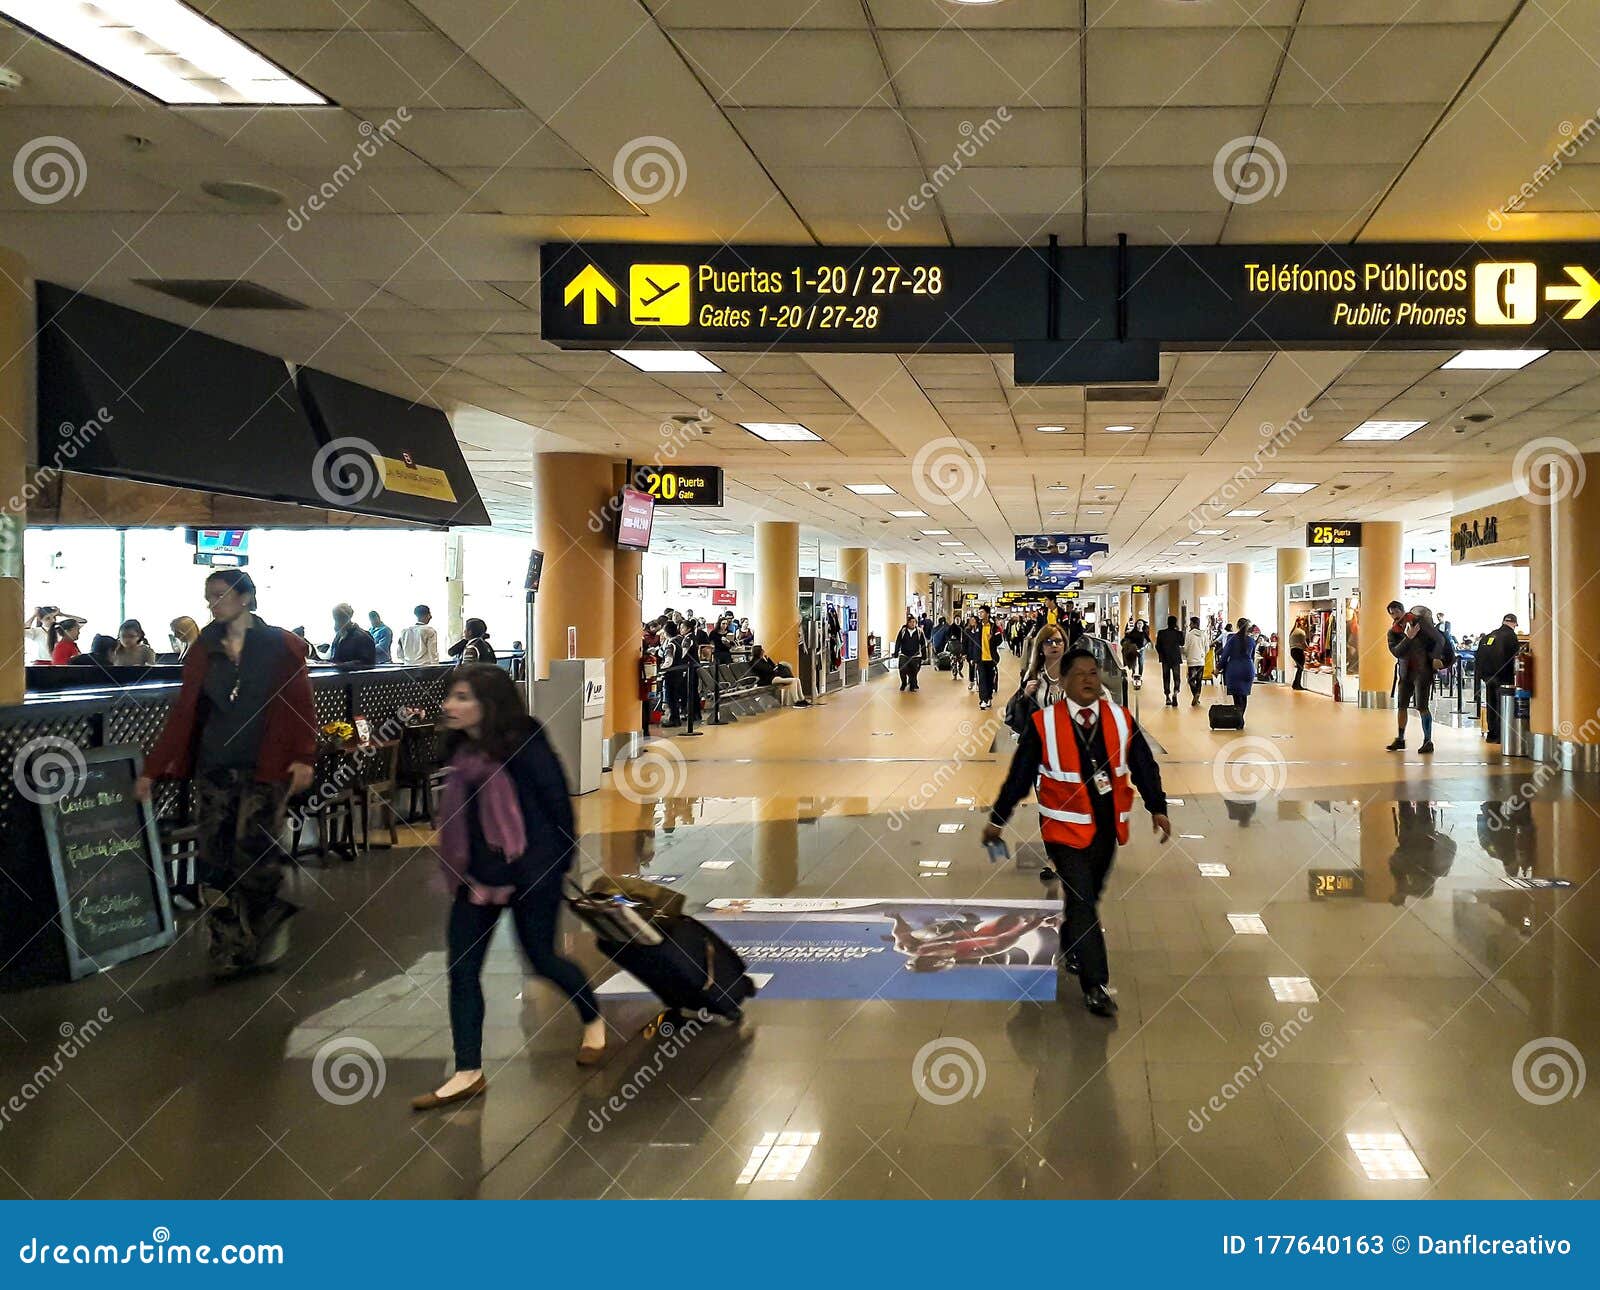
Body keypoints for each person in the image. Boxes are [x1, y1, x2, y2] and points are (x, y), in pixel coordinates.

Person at [412, 665, 605, 1111]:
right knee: (462, 969)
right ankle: (468, 1071)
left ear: (488, 703)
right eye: (450, 697)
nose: (449, 706)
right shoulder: (461, 750)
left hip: (530, 874)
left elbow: (558, 802)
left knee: (542, 959)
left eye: (461, 697)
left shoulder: (524, 744)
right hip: (474, 878)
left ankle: (592, 1018)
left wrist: (556, 865)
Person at [136, 569, 316, 976]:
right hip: (216, 764)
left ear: (247, 598)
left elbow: (300, 704)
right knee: (214, 857)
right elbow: (185, 711)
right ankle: (229, 941)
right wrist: (152, 769)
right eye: (209, 596)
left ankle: (260, 924)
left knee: (254, 851)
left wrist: (304, 757)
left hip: (264, 767)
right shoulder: (204, 648)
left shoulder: (280, 645)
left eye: (220, 595)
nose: (213, 604)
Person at [983, 648, 1171, 1016]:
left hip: (1105, 827)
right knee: (1083, 898)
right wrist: (997, 818)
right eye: (1080, 673)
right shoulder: (1044, 724)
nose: (1089, 679)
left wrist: (1158, 807)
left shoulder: (1120, 719)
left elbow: (1143, 765)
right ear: (1064, 681)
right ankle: (1095, 983)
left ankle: (1070, 943)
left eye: (1093, 672)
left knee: (1089, 895)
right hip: (1062, 829)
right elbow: (1020, 777)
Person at [1387, 604, 1451, 754]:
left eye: (1397, 611)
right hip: (1405, 673)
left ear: (1403, 610)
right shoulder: (1393, 633)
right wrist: (1408, 638)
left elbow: (1440, 640)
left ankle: (1428, 740)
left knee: (1422, 706)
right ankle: (1400, 738)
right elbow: (1397, 652)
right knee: (1401, 705)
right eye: (1392, 613)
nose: (1395, 615)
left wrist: (1435, 658)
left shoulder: (1420, 624)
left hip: (1422, 672)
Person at [1005, 622, 1068, 733]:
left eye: (1058, 641)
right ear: (1041, 647)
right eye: (1048, 642)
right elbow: (1015, 711)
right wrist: (1025, 696)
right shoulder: (1033, 675)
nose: (1054, 645)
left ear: (1065, 645)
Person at [1475, 613, 1521, 744]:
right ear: (1513, 623)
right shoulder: (1511, 636)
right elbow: (1515, 657)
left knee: (1492, 704)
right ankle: (1502, 735)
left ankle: (1492, 734)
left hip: (1488, 677)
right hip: (1504, 678)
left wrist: (1482, 675)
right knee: (1504, 705)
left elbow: (1478, 657)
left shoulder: (1490, 636)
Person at [1217, 614, 1257, 718]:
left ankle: (1238, 718)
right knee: (1244, 696)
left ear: (1238, 626)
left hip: (1234, 670)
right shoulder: (1252, 641)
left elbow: (1225, 656)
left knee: (1237, 697)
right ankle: (1241, 717)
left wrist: (1218, 668)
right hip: (1248, 670)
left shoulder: (1232, 639)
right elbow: (1252, 658)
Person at [971, 606, 1000, 710]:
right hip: (980, 658)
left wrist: (992, 638)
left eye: (982, 612)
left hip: (991, 658)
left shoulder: (993, 627)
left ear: (987, 614)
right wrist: (972, 657)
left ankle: (989, 697)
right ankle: (983, 700)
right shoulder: (977, 626)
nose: (980, 614)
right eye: (979, 612)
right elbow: (973, 642)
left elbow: (999, 640)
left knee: (990, 679)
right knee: (982, 679)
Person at [1154, 615, 1184, 708]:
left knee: (1166, 677)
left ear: (1167, 622)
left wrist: (1161, 654)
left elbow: (1157, 646)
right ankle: (1175, 692)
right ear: (1175, 623)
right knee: (1177, 677)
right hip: (1175, 659)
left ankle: (1167, 697)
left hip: (1165, 659)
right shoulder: (1178, 633)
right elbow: (1182, 643)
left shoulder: (1161, 633)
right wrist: (1179, 631)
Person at [894, 612, 925, 692]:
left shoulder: (919, 632)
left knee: (914, 671)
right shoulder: (903, 631)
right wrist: (896, 652)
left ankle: (912, 685)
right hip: (904, 654)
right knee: (902, 670)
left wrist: (924, 655)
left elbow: (923, 644)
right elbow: (898, 642)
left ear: (916, 623)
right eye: (910, 622)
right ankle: (904, 683)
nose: (912, 623)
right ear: (907, 623)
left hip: (915, 656)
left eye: (914, 622)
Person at [1183, 616, 1207, 707]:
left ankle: (1195, 694)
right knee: (1199, 680)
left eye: (1191, 623)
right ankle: (1197, 696)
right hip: (1201, 661)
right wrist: (1202, 655)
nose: (1189, 625)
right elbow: (1207, 647)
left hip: (1192, 661)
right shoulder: (1203, 634)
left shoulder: (1189, 634)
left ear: (1194, 624)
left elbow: (1186, 648)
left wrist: (1187, 655)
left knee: (1191, 680)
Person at [1288, 618, 1308, 690]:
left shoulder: (1293, 631)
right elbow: (1304, 644)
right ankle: (1297, 684)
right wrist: (1309, 649)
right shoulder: (1301, 632)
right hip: (1298, 651)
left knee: (1299, 668)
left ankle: (1295, 684)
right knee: (1300, 668)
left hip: (1293, 651)